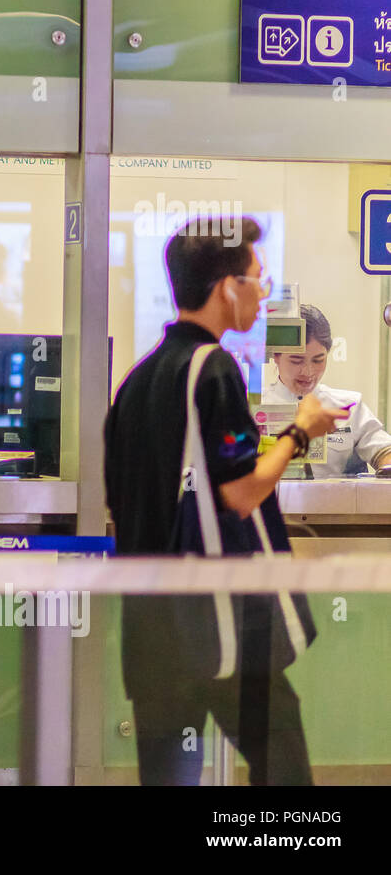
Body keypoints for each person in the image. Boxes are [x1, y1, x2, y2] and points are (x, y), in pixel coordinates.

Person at [104, 217, 347, 786]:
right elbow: (241, 490)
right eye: (257, 280)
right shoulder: (213, 371)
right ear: (226, 287)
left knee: (166, 776)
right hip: (218, 618)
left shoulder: (136, 382)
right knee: (285, 772)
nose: (263, 295)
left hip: (150, 625)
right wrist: (301, 431)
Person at [263, 303, 391, 476]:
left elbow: (383, 450)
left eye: (318, 360)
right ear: (276, 356)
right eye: (296, 360)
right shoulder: (252, 406)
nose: (308, 372)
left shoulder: (349, 406)